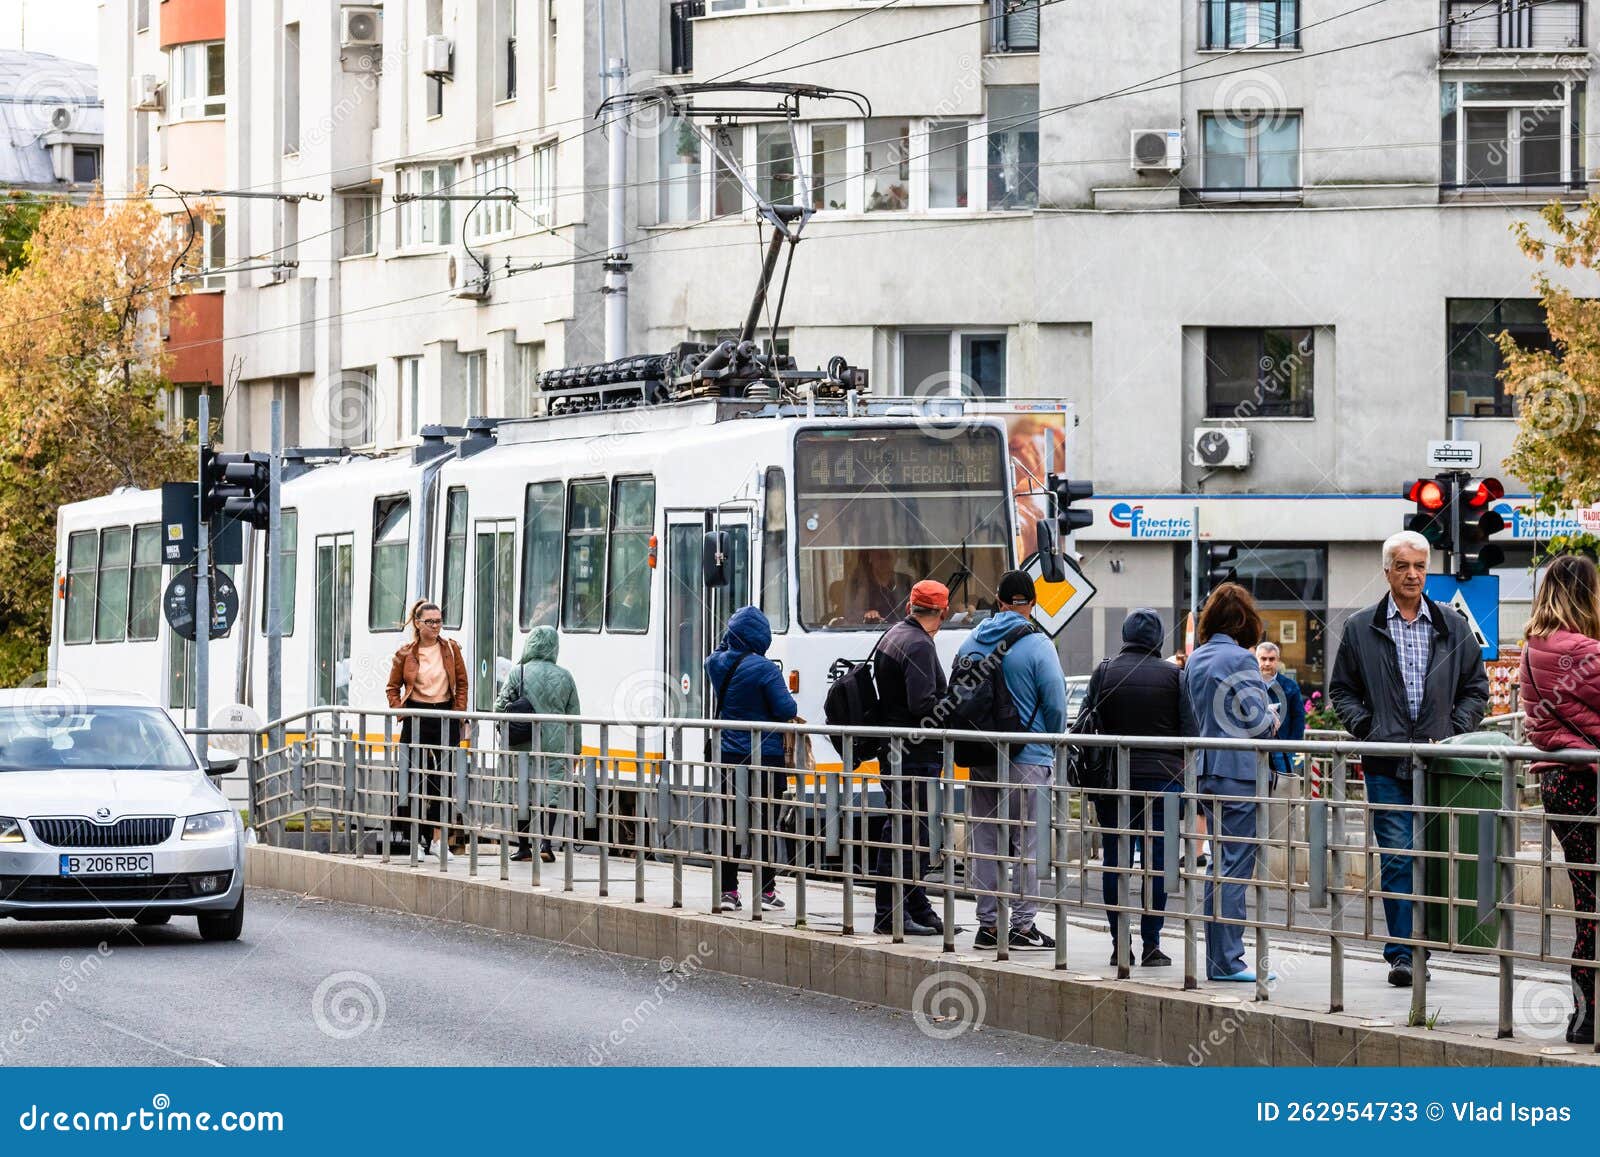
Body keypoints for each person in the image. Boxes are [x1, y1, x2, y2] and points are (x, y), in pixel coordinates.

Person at [1328, 530, 1489, 987]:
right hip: (1386, 764)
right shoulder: (1361, 627)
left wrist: (1454, 733)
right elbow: (1342, 690)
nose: (1413, 574)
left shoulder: (1452, 626)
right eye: (1403, 566)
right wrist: (1368, 728)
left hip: (1439, 766)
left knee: (1435, 857)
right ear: (1387, 571)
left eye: (1420, 566)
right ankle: (1404, 954)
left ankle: (1427, 942)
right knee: (1399, 857)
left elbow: (1476, 690)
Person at [957, 570, 1068, 952]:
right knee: (1027, 842)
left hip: (981, 755)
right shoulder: (1038, 644)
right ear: (1032, 603)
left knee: (986, 840)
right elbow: (1055, 701)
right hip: (1028, 755)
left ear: (1000, 601)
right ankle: (1021, 925)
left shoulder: (972, 640)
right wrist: (1050, 738)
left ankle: (988, 926)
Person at [1519, 554, 1600, 1044]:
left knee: (1588, 896)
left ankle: (1584, 1013)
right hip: (1592, 780)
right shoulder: (1586, 651)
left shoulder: (1532, 649)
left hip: (1558, 785)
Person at [1088, 608, 1195, 966]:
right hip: (1165, 782)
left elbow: (1090, 721)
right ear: (1158, 639)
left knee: (1116, 861)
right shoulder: (1175, 676)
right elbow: (1190, 731)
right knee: (1159, 863)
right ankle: (1152, 943)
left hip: (1114, 782)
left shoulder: (1103, 671)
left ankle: (1120, 945)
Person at [1184, 582, 1278, 982]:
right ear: (1245, 621)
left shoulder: (1196, 658)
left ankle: (1218, 959)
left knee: (1218, 866)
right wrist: (1273, 718)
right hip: (1238, 771)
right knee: (1235, 867)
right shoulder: (1241, 659)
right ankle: (1228, 961)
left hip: (1205, 770)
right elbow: (1258, 724)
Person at [871, 579, 952, 936]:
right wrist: (954, 705)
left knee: (910, 831)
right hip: (913, 752)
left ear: (910, 606)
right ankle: (890, 914)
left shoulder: (894, 634)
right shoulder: (919, 645)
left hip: (895, 749)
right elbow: (923, 705)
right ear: (942, 612)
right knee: (906, 833)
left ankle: (916, 906)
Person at [705, 606, 798, 912]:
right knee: (766, 823)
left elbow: (718, 650)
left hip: (730, 755)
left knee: (731, 822)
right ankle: (766, 891)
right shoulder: (766, 669)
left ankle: (728, 892)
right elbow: (786, 710)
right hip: (766, 758)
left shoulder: (716, 663)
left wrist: (728, 637)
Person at [386, 598, 469, 860]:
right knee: (414, 779)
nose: (436, 626)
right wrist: (401, 711)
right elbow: (392, 687)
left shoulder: (452, 649)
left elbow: (463, 684)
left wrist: (457, 714)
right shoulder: (405, 653)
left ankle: (435, 840)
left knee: (442, 780)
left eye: (439, 621)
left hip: (444, 716)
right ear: (418, 624)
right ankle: (415, 840)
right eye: (430, 622)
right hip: (416, 717)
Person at [495, 625, 581, 863]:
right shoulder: (565, 676)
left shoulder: (518, 672)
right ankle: (546, 844)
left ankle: (524, 848)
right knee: (550, 793)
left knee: (523, 791)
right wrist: (575, 751)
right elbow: (575, 716)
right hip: (555, 743)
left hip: (523, 742)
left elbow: (499, 707)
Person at [1256, 641, 1306, 779]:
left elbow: (1298, 719)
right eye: (1263, 658)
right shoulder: (1248, 685)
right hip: (1254, 750)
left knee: (1283, 795)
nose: (1267, 663)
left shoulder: (1290, 686)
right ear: (1257, 660)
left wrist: (1290, 748)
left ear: (1277, 661)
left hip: (1281, 751)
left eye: (1271, 659)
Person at [846, 549, 914, 625]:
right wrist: (866, 615)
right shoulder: (859, 583)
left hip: (901, 631)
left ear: (896, 557)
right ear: (871, 557)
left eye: (888, 557)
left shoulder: (906, 581)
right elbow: (851, 613)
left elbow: (914, 611)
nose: (884, 561)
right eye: (880, 557)